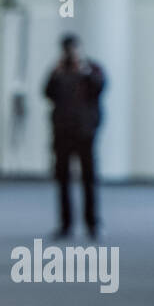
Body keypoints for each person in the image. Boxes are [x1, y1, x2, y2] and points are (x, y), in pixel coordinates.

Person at [43, 34, 106, 238]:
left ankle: (92, 224)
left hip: (85, 133)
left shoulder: (91, 68)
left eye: (73, 49)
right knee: (63, 180)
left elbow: (100, 88)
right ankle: (65, 224)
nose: (71, 54)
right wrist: (56, 74)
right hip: (62, 133)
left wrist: (84, 72)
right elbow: (47, 93)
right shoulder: (58, 71)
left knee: (89, 179)